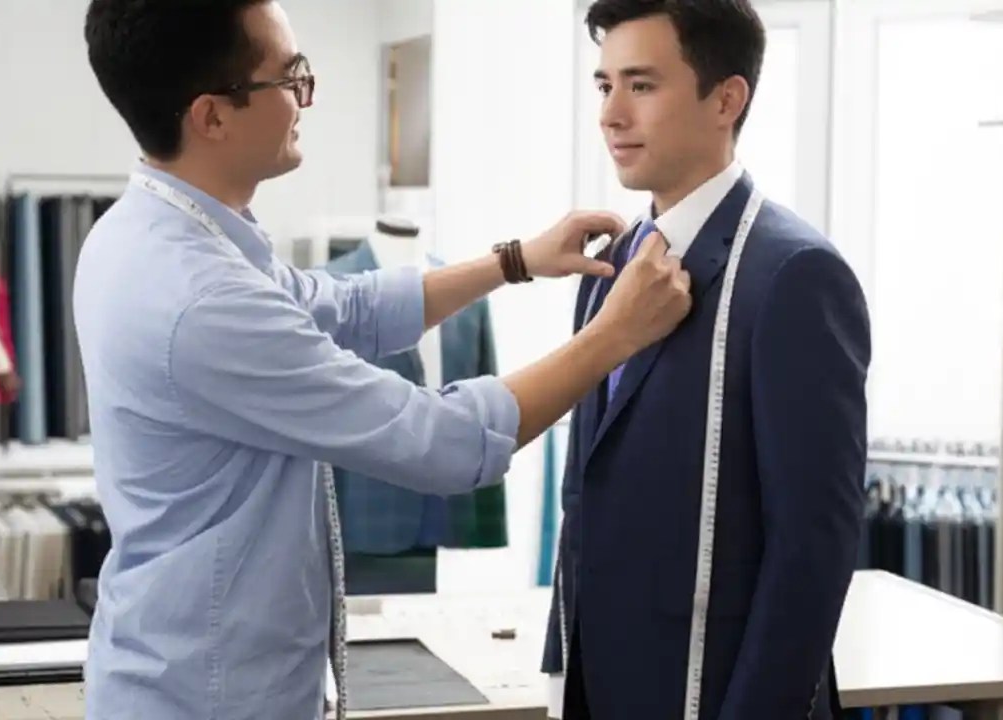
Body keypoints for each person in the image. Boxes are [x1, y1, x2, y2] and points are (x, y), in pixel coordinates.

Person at [74, 1, 694, 719]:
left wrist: (516, 262)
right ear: (212, 116)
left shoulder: (151, 231)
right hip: (209, 697)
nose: (309, 94)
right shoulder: (199, 298)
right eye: (290, 77)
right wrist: (614, 336)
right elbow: (439, 440)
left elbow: (342, 308)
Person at [542, 1, 872, 718]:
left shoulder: (795, 274)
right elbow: (585, 495)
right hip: (604, 683)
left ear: (727, 98)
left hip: (717, 691)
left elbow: (813, 546)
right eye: (604, 86)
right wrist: (562, 672)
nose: (611, 114)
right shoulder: (613, 263)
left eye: (642, 85)